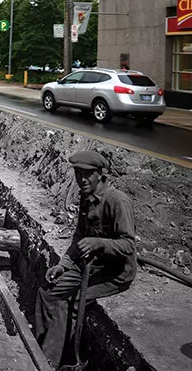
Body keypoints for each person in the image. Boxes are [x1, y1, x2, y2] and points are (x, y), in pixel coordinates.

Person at [35, 150, 136, 369]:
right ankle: (45, 342)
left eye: (88, 174)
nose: (82, 179)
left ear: (100, 174)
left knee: (73, 302)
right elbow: (79, 238)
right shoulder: (86, 198)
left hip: (114, 273)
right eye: (78, 173)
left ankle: (51, 361)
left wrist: (100, 243)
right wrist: (63, 265)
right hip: (87, 268)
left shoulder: (117, 201)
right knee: (48, 291)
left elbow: (129, 245)